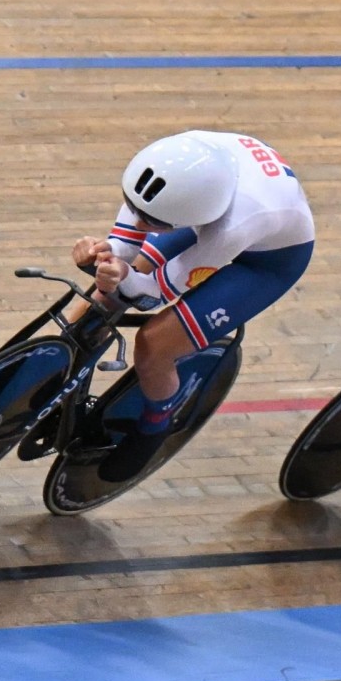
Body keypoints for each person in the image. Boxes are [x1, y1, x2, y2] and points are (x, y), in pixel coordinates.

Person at [73, 131, 315, 482]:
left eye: (151, 220)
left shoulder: (233, 226)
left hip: (267, 263)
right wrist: (107, 251)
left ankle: (157, 425)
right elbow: (134, 229)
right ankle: (56, 368)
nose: (141, 223)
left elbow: (154, 293)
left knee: (154, 344)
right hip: (211, 209)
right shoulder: (177, 163)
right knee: (102, 297)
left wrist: (121, 275)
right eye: (136, 208)